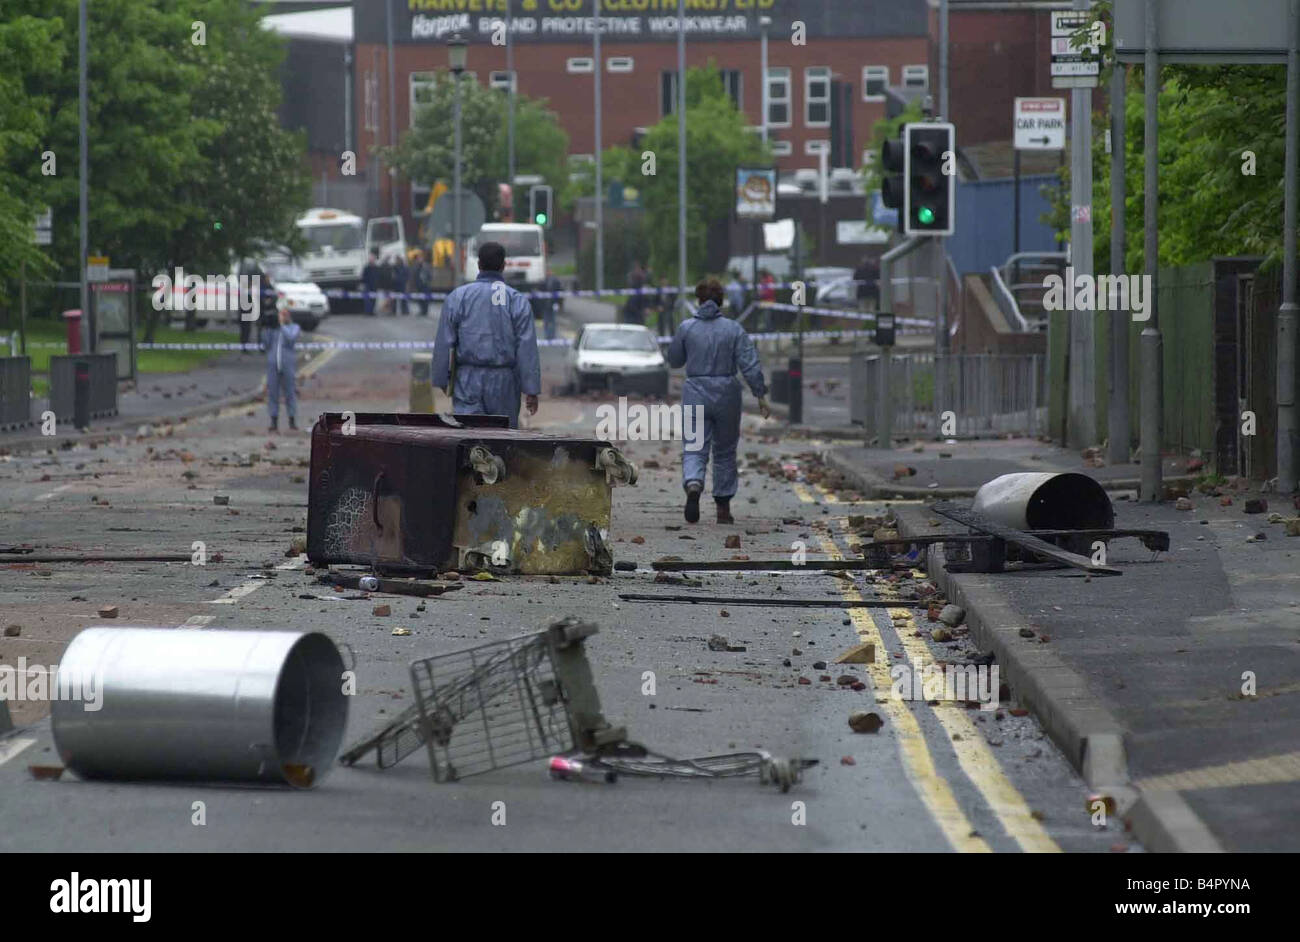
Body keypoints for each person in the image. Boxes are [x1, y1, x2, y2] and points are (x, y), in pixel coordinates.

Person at [666, 278, 770, 525]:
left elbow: (674, 360)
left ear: (699, 301)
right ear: (721, 301)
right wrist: (760, 395)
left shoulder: (687, 328)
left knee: (694, 446)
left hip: (695, 392)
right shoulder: (734, 329)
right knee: (724, 451)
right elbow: (750, 364)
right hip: (727, 394)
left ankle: (693, 484)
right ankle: (723, 507)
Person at [432, 241, 541, 428]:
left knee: (469, 437)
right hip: (504, 382)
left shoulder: (458, 297)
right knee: (500, 438)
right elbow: (526, 347)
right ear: (503, 266)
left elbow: (444, 342)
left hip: (467, 381)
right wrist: (531, 389)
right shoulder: (517, 300)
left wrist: (442, 378)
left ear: (479, 264)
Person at [264, 301, 301, 433]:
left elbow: (291, 338)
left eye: (285, 314)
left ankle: (292, 420)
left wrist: (282, 326)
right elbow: (265, 344)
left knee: (290, 392)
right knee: (273, 393)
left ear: (289, 316)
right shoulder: (274, 329)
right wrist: (268, 327)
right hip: (273, 365)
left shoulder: (294, 327)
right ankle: (274, 421)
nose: (283, 316)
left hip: (287, 364)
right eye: (281, 314)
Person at [534, 270, 563, 341]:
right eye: (547, 272)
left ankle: (552, 336)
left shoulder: (556, 281)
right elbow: (539, 291)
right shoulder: (543, 281)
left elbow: (559, 292)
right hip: (545, 305)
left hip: (552, 304)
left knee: (552, 321)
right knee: (546, 321)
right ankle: (547, 335)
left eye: (549, 272)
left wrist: (558, 304)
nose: (548, 273)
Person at [623, 261, 646, 325]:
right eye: (636, 269)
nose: (638, 270)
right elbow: (631, 286)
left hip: (639, 309)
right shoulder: (631, 277)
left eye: (639, 269)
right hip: (631, 310)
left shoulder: (642, 278)